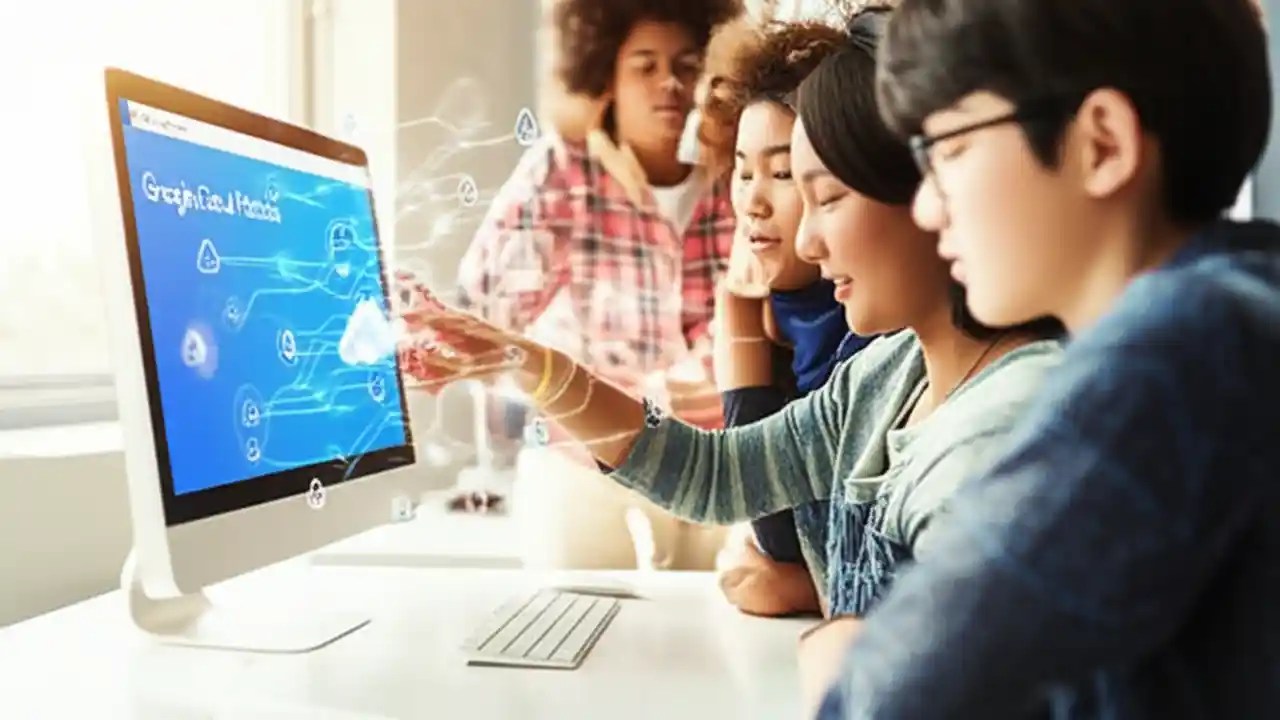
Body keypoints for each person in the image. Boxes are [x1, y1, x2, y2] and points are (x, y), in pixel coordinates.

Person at [399, 5, 1063, 647]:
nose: (806, 241)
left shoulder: (998, 425)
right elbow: (714, 473)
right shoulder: (886, 375)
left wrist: (833, 640)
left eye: (823, 195)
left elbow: (926, 683)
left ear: (923, 188)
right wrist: (527, 362)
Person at [802, 0, 1280, 718]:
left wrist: (840, 653)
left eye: (948, 151)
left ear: (1101, 144)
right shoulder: (1246, 294)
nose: (929, 209)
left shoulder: (1175, 351)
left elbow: (892, 696)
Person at [439, 0, 744, 570]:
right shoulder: (566, 172)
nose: (669, 84)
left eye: (686, 65)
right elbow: (483, 308)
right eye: (645, 67)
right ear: (607, 78)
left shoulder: (740, 173)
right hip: (590, 463)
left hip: (721, 463)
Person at [705, 19, 872, 617]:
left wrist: (805, 586)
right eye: (743, 172)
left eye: (781, 174)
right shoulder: (788, 314)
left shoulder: (873, 326)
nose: (752, 199)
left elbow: (775, 529)